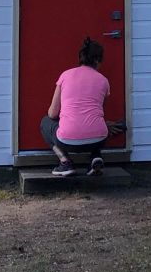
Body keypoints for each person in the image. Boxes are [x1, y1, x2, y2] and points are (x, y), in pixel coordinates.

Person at [41, 37, 111, 178]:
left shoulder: (65, 76)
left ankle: (65, 162)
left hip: (67, 141)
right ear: (97, 60)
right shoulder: (103, 80)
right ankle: (95, 158)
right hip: (99, 138)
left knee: (45, 123)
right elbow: (99, 110)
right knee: (97, 124)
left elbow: (52, 113)